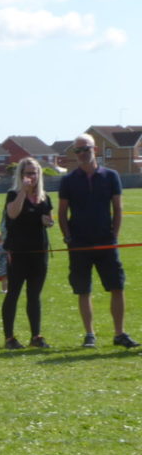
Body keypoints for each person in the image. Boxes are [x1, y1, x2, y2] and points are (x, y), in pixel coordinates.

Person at [58, 133, 139, 348]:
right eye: (78, 150)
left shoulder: (111, 176)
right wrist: (68, 237)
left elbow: (118, 207)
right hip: (79, 244)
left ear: (95, 150)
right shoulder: (68, 180)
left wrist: (115, 234)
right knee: (84, 290)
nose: (83, 153)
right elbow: (62, 212)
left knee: (117, 286)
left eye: (86, 149)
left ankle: (119, 333)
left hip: (106, 242)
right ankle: (89, 334)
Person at [2, 158, 54, 349]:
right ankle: (9, 338)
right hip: (18, 252)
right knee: (13, 293)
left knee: (34, 295)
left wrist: (47, 221)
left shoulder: (44, 197)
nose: (31, 177)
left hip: (39, 252)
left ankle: (36, 336)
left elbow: (50, 220)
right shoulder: (13, 194)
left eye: (34, 173)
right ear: (21, 175)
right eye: (27, 173)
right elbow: (13, 214)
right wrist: (23, 192)